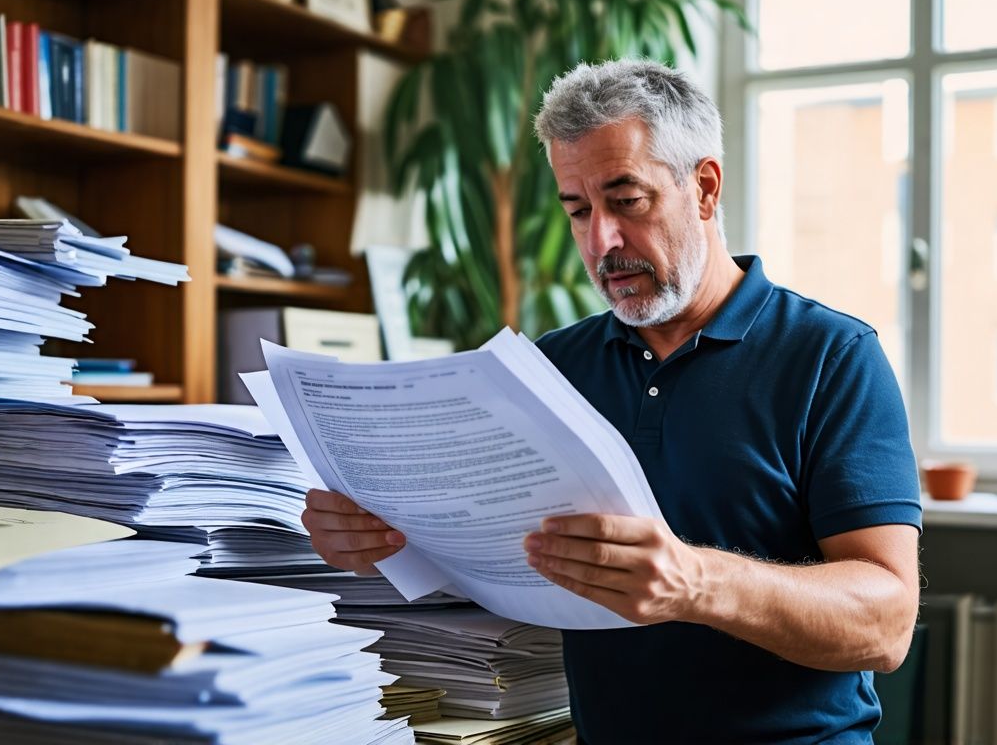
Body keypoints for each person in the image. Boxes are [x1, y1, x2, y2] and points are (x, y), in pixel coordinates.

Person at [303, 59, 922, 743]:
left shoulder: (832, 357)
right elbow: (494, 570)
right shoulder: (543, 369)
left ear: (705, 189)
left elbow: (887, 625)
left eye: (626, 201)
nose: (601, 241)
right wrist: (379, 545)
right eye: (577, 210)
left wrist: (696, 582)